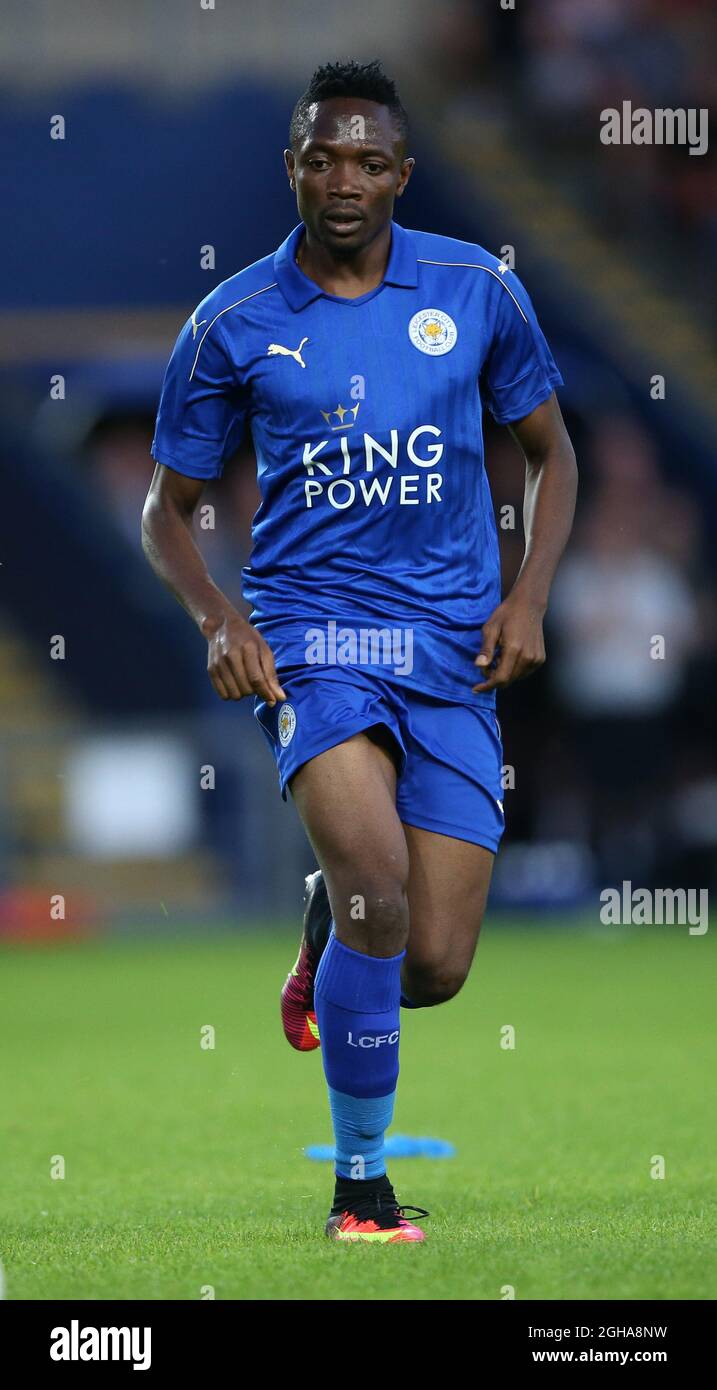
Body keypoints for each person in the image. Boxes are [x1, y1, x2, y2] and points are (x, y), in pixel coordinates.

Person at [142, 59, 577, 1244]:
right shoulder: (233, 320)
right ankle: (361, 1194)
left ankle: (326, 925)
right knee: (381, 892)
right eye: (322, 157)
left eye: (369, 161)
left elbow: (553, 451)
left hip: (450, 652)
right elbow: (164, 510)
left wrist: (530, 593)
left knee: (428, 965)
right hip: (313, 642)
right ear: (292, 166)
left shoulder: (475, 288)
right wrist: (222, 619)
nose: (344, 180)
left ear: (403, 174)